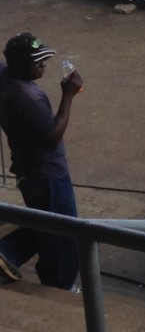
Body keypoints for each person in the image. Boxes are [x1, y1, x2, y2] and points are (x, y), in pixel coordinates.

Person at [0, 33, 84, 290]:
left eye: (43, 59)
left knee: (44, 222)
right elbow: (52, 137)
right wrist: (69, 95)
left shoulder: (4, 76)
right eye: (35, 61)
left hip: (28, 169)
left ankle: (7, 253)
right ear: (15, 63)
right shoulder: (29, 98)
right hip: (47, 175)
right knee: (63, 232)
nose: (43, 65)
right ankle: (59, 287)